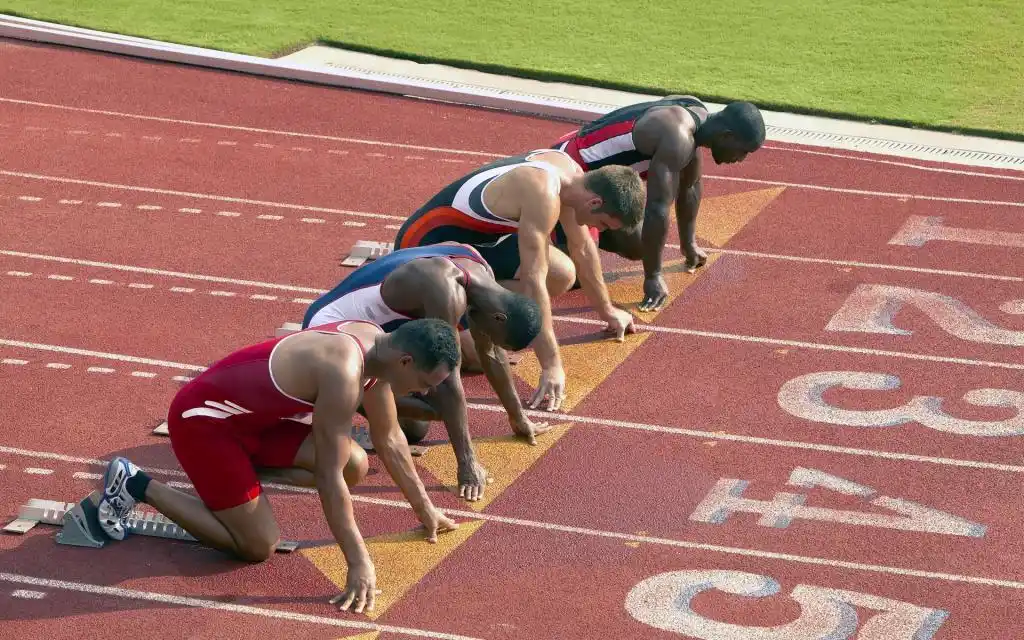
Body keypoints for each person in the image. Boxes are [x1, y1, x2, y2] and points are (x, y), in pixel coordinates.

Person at [95, 318, 461, 615]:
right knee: (258, 545)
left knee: (355, 464)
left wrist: (425, 509)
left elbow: (390, 437)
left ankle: (236, 483)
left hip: (255, 424)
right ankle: (136, 483)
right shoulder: (344, 373)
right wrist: (358, 562)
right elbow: (329, 478)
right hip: (204, 423)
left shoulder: (378, 347)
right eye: (425, 383)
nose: (426, 393)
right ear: (405, 362)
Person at [393, 149, 645, 412]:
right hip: (424, 244)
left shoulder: (574, 178)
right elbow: (533, 281)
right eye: (603, 224)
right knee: (475, 356)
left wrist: (607, 310)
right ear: (594, 203)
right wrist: (551, 365)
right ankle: (451, 304)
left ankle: (470, 299)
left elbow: (582, 248)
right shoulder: (543, 193)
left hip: (475, 244)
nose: (599, 231)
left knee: (562, 274)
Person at [301, 242, 549, 502]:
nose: (486, 336)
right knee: (441, 405)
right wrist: (467, 463)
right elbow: (449, 380)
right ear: (499, 318)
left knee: (416, 428)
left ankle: (366, 401)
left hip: (372, 331)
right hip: (329, 329)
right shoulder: (444, 292)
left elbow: (490, 352)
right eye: (491, 334)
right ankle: (348, 400)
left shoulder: (481, 274)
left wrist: (518, 416)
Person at [551, 97, 766, 311]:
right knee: (573, 275)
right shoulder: (677, 137)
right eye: (743, 151)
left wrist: (688, 243)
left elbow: (690, 185)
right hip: (570, 173)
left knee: (639, 244)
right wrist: (653, 276)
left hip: (596, 182)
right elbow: (657, 208)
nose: (741, 159)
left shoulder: (695, 116)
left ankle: (580, 233)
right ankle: (543, 232)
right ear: (727, 136)